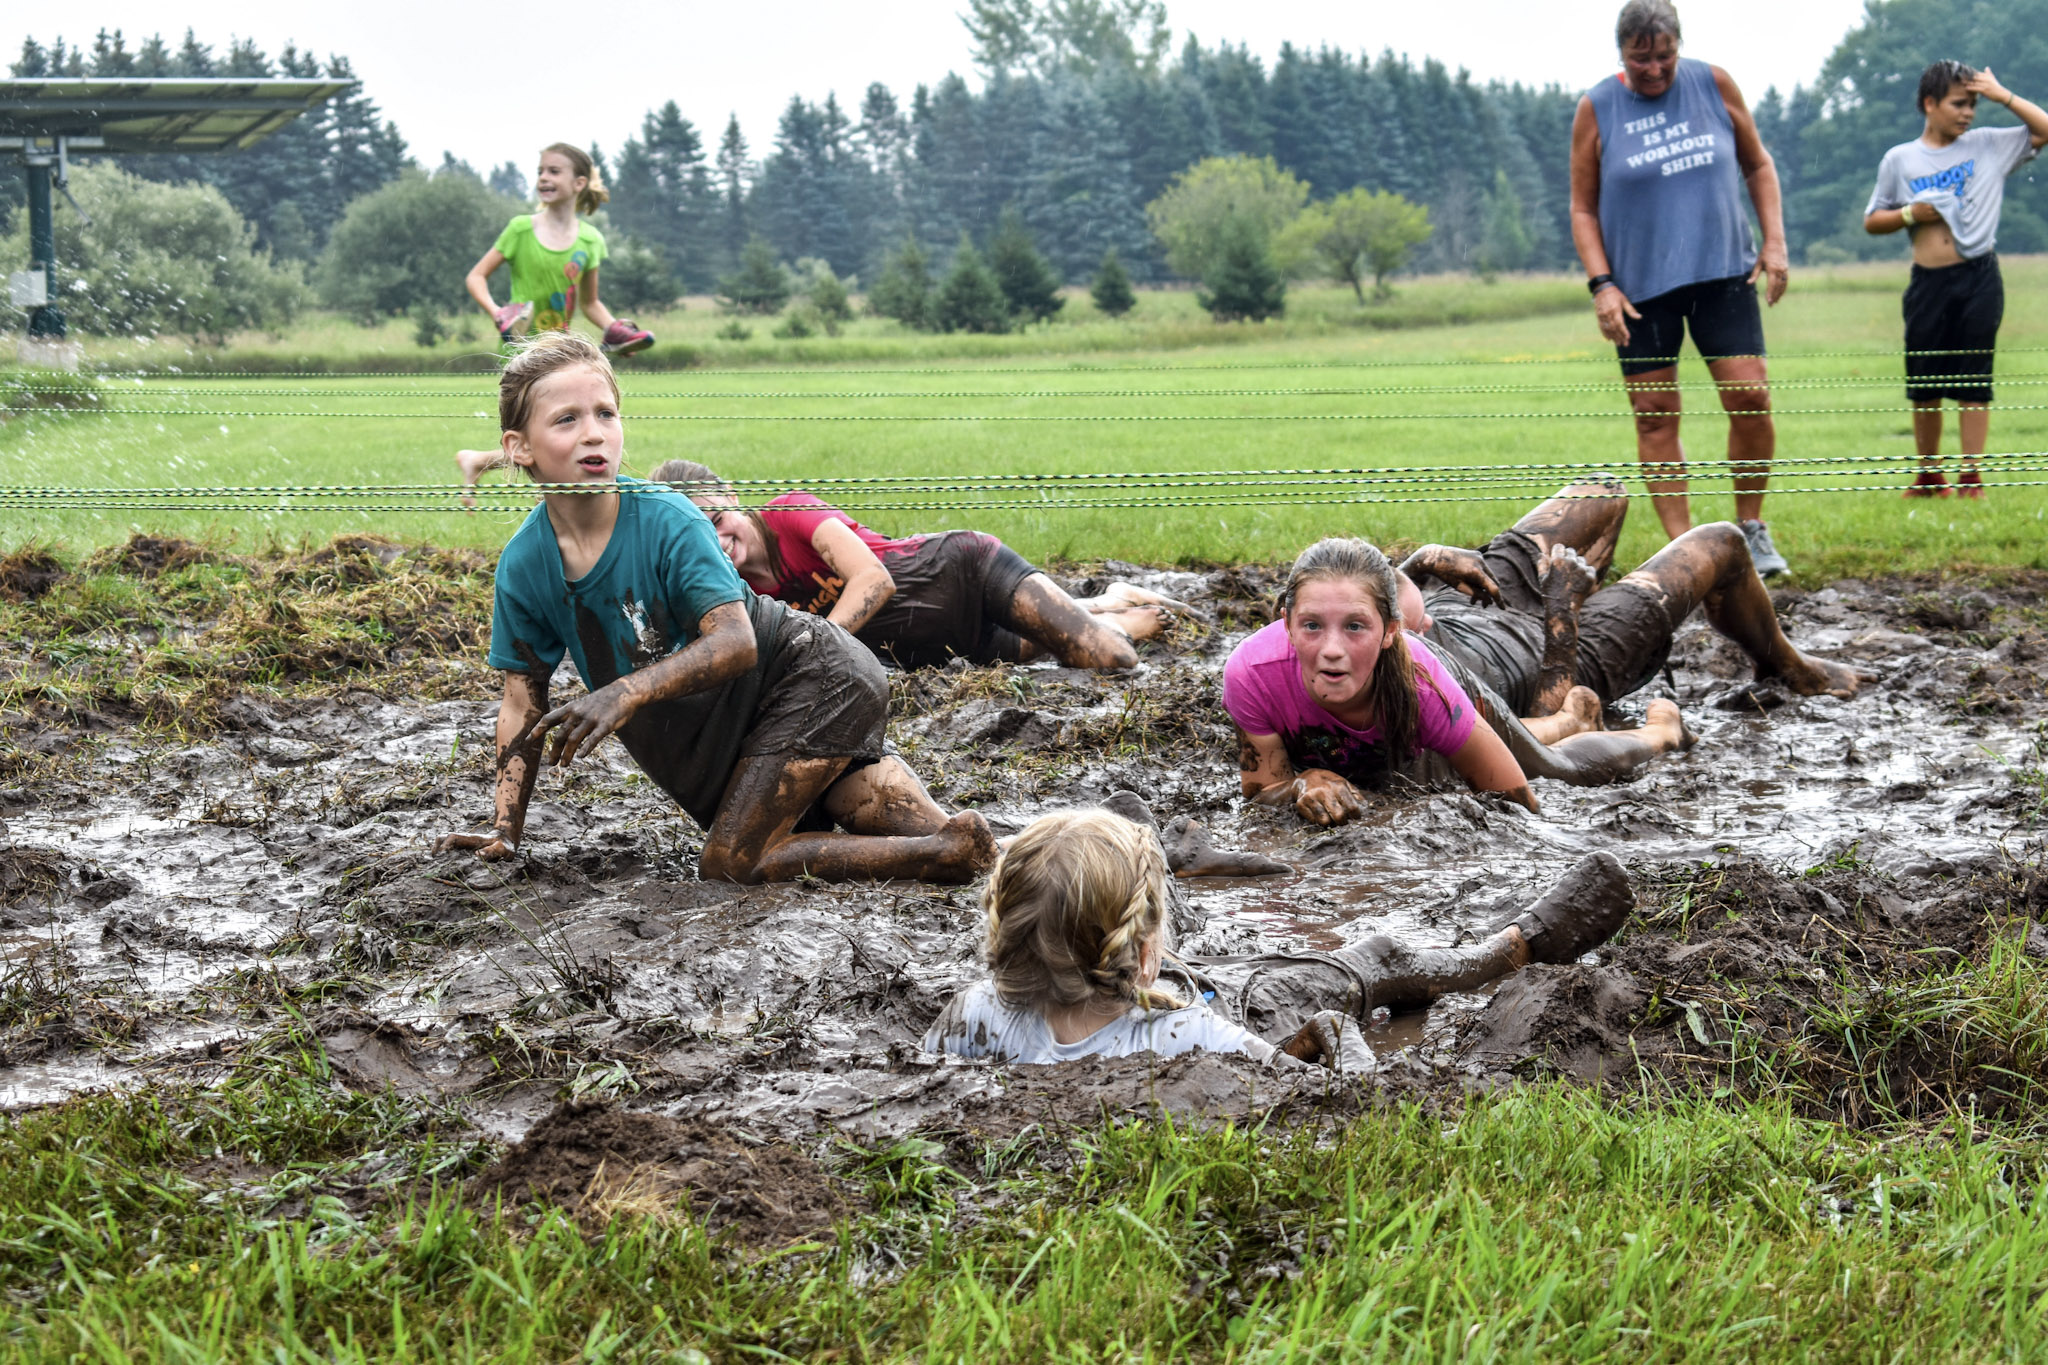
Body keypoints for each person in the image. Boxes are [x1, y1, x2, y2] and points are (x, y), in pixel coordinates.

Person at [434, 332, 995, 886]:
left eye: (606, 414)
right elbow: (520, 701)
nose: (594, 434)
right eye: (567, 420)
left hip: (812, 677)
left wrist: (624, 692)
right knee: (905, 824)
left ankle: (944, 858)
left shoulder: (667, 517)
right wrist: (506, 828)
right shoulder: (524, 566)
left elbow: (736, 642)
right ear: (518, 447)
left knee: (733, 860)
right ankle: (988, 850)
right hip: (741, 739)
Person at [924, 809, 1635, 1066]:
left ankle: (1136, 844)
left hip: (1146, 984)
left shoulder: (971, 1014)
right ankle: (1519, 944)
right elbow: (1343, 1101)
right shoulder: (1193, 1037)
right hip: (1245, 1001)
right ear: (1140, 951)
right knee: (1378, 956)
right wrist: (1334, 1034)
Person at [1222, 539, 1690, 827]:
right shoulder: (1252, 674)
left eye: (1355, 627)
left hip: (1442, 697)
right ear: (1285, 624)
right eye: (1311, 626)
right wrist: (1305, 781)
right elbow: (1262, 792)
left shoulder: (1423, 686)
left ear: (1390, 631)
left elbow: (1519, 807)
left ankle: (1659, 733)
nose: (1331, 649)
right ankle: (1568, 717)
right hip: (1370, 750)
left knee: (1553, 769)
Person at [1569, 0, 1792, 575]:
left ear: (1678, 47)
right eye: (1639, 59)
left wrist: (1774, 243)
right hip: (1639, 290)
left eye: (1663, 56)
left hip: (1724, 273)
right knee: (1653, 414)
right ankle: (1685, 548)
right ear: (1621, 53)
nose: (1653, 69)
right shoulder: (1597, 106)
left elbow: (1759, 165)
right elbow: (1583, 207)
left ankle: (1751, 528)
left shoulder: (1713, 84)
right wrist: (1602, 285)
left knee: (1750, 396)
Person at [1398, 478, 1872, 741]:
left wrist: (1420, 564)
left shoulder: (1345, 627)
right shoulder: (1427, 695)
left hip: (1466, 603)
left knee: (1602, 492)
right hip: (1557, 656)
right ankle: (1790, 666)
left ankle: (1597, 591)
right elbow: (1542, 722)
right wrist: (1564, 609)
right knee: (1723, 542)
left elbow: (1366, 598)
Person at [648, 459, 1180, 671]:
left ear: (734, 498)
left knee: (1112, 660)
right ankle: (1111, 602)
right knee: (1073, 641)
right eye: (700, 534)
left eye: (717, 517)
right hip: (950, 645)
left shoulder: (790, 510)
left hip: (966, 576)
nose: (718, 538)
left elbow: (873, 582)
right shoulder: (735, 592)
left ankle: (1101, 619)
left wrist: (820, 644)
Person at [1864, 62, 2048, 499]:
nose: (1969, 113)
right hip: (1927, 282)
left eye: (1974, 105)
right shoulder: (1900, 158)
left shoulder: (1988, 145)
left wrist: (2003, 95)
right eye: (1959, 104)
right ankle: (1930, 476)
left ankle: (1971, 477)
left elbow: (2044, 129)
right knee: (1924, 383)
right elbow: (1873, 220)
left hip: (1979, 276)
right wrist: (1911, 214)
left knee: (1974, 379)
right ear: (1930, 104)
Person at [464, 143, 654, 358]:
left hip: (558, 353)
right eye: (540, 172)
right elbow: (476, 276)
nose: (543, 177)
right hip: (518, 352)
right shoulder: (520, 229)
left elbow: (589, 302)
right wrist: (498, 313)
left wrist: (613, 329)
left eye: (553, 171)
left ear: (579, 183)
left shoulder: (590, 239)